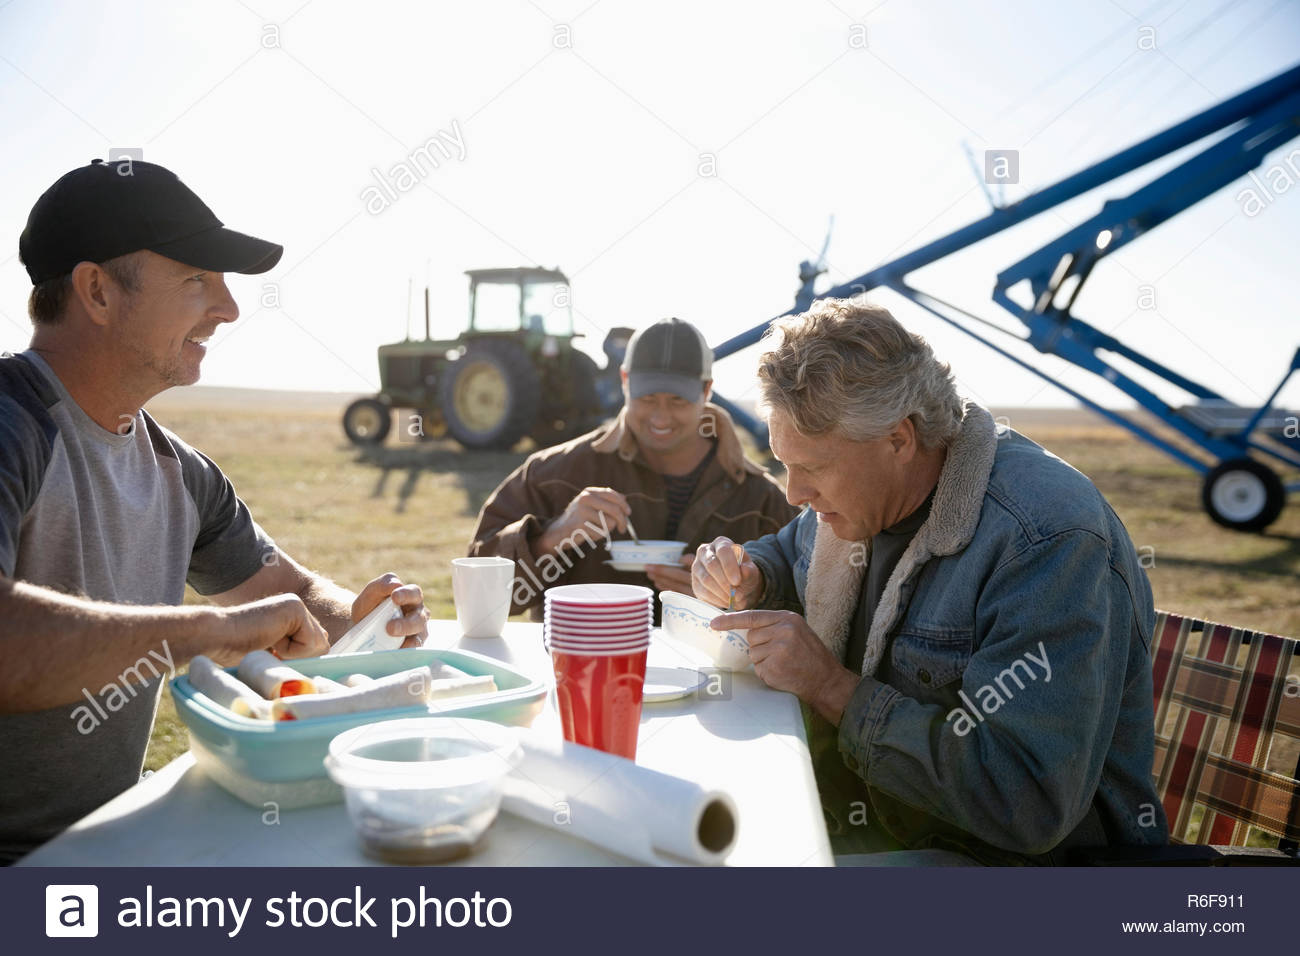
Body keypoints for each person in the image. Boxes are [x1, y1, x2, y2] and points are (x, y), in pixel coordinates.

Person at [0, 159, 429, 864]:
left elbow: (287, 599)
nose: (228, 309)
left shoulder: (181, 472)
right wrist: (207, 635)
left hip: (111, 842)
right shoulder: (10, 427)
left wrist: (364, 616)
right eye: (197, 280)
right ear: (98, 291)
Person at [693, 298, 1168, 864]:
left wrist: (831, 688)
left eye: (814, 468)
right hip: (874, 831)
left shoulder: (1046, 537)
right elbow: (785, 550)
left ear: (899, 439)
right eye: (781, 463)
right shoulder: (863, 498)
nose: (794, 493)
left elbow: (1026, 802)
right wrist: (748, 573)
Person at [470, 317, 797, 617]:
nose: (660, 417)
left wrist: (737, 600)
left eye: (677, 401)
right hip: (584, 676)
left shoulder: (762, 501)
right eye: (648, 399)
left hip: (715, 683)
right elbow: (478, 597)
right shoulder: (556, 474)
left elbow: (808, 610)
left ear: (706, 390)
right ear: (624, 381)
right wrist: (550, 537)